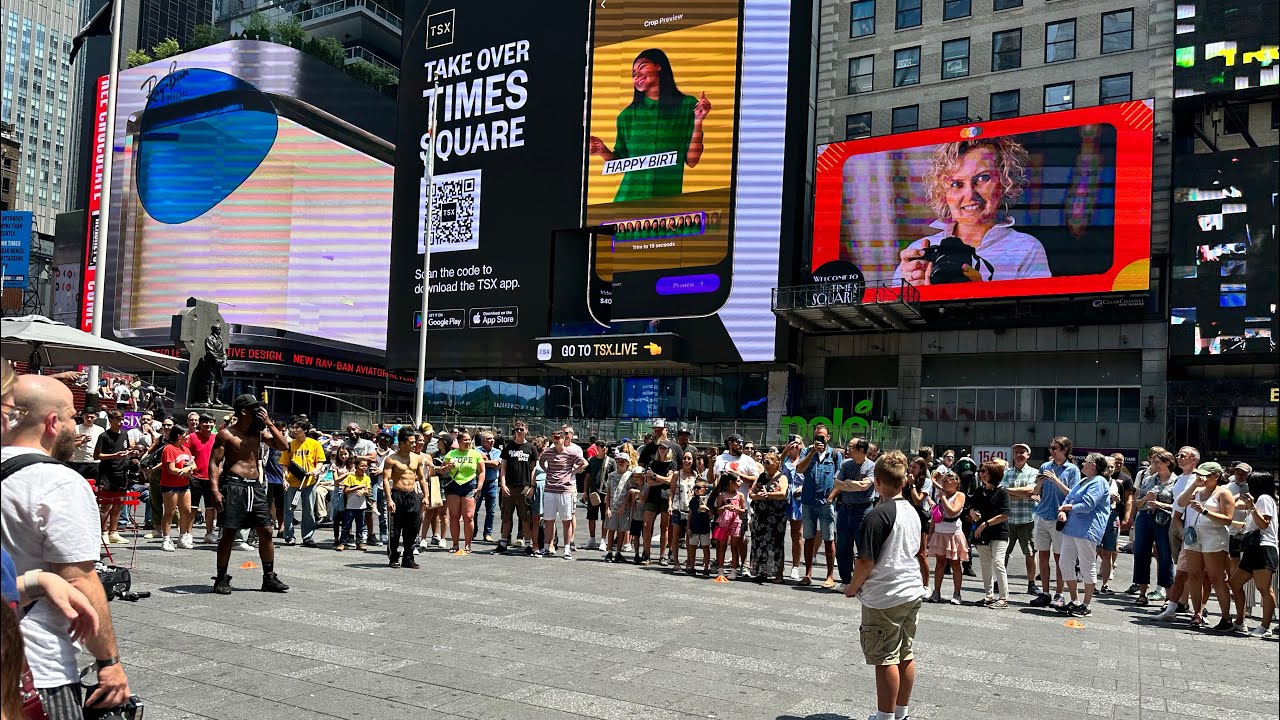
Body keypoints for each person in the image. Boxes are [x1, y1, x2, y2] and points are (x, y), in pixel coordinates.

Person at [1, 374, 131, 717]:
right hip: (38, 664)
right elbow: (78, 579)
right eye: (73, 416)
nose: (75, 425)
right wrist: (109, 663)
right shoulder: (58, 482)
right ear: (52, 422)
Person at [894, 136, 1048, 286]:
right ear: (943, 192)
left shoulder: (1026, 248)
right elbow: (891, 312)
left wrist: (979, 295)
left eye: (982, 178)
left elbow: (1039, 311)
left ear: (1005, 181)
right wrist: (911, 292)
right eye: (956, 184)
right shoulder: (918, 252)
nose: (970, 194)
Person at [843, 451, 927, 720]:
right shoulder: (911, 511)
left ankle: (885, 717)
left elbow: (866, 561)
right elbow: (918, 551)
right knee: (905, 653)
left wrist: (852, 587)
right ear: (903, 482)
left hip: (885, 595)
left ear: (877, 481)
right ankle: (901, 713)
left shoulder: (876, 515)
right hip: (911, 589)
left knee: (885, 658)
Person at [587, 48, 711, 202]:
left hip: (665, 206)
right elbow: (622, 164)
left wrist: (698, 122)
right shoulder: (626, 116)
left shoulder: (687, 105)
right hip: (627, 204)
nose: (636, 75)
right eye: (633, 74)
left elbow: (692, 161)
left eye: (642, 67)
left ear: (659, 66)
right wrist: (602, 150)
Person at [208, 394, 290, 595]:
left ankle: (269, 578)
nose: (259, 413)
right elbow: (214, 463)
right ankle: (221, 578)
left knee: (267, 531)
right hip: (234, 486)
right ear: (244, 411)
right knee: (229, 533)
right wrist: (215, 490)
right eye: (255, 409)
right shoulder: (226, 434)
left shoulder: (259, 433)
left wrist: (270, 423)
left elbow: (284, 446)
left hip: (255, 487)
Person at [1175, 461, 1236, 630]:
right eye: (1198, 474)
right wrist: (1194, 484)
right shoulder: (1196, 490)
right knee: (1194, 575)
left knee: (1215, 577)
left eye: (1205, 475)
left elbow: (1227, 519)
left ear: (1216, 476)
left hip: (1213, 535)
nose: (1201, 477)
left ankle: (1226, 617)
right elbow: (1180, 503)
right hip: (1194, 535)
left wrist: (1204, 511)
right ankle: (1197, 613)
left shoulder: (1223, 493)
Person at [1055, 453, 1113, 617]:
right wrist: (1063, 512)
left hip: (1088, 529)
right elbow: (1069, 497)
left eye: (1085, 462)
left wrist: (1067, 508)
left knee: (1087, 566)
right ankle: (1075, 600)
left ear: (1093, 465)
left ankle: (1086, 604)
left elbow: (1087, 505)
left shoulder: (1099, 482)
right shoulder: (1083, 480)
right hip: (1071, 528)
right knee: (1065, 563)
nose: (1082, 464)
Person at [1029, 437, 1081, 609]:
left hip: (1059, 517)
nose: (1051, 451)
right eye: (1050, 448)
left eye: (1055, 448)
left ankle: (1059, 594)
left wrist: (1055, 480)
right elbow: (1036, 492)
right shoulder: (1045, 466)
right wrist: (1039, 483)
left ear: (1065, 449)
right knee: (1042, 556)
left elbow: (1073, 494)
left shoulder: (1072, 470)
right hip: (1042, 514)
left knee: (1060, 559)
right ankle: (1045, 593)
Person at [1153, 446, 1203, 622]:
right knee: (1181, 570)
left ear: (1194, 459)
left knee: (1200, 574)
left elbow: (1185, 502)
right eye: (1178, 455)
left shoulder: (1200, 477)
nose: (1179, 458)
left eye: (1183, 455)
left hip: (1199, 529)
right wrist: (1179, 526)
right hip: (1182, 526)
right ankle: (1175, 606)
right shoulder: (1181, 478)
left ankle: (1198, 611)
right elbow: (1178, 505)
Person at [1229, 472, 1277, 637]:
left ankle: (1265, 626)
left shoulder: (1264, 499)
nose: (1248, 486)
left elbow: (1264, 524)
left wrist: (1251, 507)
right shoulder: (1261, 500)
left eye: (1250, 483)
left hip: (1263, 548)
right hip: (1254, 548)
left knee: (1264, 588)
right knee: (1234, 583)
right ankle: (1240, 621)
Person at [1130, 449, 1177, 606]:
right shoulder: (1148, 479)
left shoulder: (1176, 482)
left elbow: (1178, 507)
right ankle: (1142, 593)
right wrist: (1145, 499)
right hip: (1144, 517)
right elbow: (1137, 503)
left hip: (1163, 521)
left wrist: (1160, 504)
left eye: (1158, 462)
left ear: (1168, 463)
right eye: (1153, 462)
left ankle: (1169, 597)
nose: (1154, 465)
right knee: (1141, 554)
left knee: (1165, 556)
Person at [832, 439, 876, 590]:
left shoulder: (871, 466)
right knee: (843, 546)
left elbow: (865, 486)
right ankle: (846, 580)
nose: (848, 449)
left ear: (862, 450)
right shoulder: (845, 464)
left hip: (863, 510)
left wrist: (848, 484)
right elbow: (837, 483)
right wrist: (853, 484)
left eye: (851, 446)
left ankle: (863, 581)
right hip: (845, 509)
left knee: (863, 547)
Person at [383, 427, 430, 569]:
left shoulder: (417, 458)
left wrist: (426, 496)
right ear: (402, 443)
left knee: (413, 528)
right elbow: (386, 480)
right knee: (395, 530)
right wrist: (389, 499)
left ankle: (408, 558)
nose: (414, 445)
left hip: (412, 496)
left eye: (415, 442)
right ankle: (393, 558)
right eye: (411, 442)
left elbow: (422, 478)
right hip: (397, 495)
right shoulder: (392, 459)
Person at [796, 435, 839, 588]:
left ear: (828, 437)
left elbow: (839, 478)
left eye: (822, 436)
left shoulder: (834, 454)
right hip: (808, 501)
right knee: (809, 537)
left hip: (826, 502)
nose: (819, 440)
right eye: (816, 436)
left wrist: (832, 497)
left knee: (828, 538)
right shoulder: (807, 451)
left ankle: (830, 576)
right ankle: (808, 574)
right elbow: (799, 469)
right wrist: (811, 453)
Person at [539, 426, 588, 560]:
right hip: (550, 490)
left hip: (565, 490)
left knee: (566, 520)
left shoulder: (571, 453)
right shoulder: (548, 452)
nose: (555, 440)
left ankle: (567, 548)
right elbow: (541, 460)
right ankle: (546, 546)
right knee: (549, 520)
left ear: (563, 438)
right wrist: (546, 470)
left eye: (557, 438)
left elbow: (584, 463)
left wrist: (572, 472)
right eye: (553, 437)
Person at [970, 461, 1011, 608]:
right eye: (980, 471)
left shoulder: (1002, 491)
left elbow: (1005, 514)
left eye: (984, 471)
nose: (981, 474)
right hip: (982, 534)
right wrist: (972, 513)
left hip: (999, 533)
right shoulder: (979, 491)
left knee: (998, 563)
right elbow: (971, 507)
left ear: (993, 474)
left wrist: (985, 524)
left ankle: (1003, 598)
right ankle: (989, 596)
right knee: (985, 564)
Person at [281, 419, 326, 547]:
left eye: (297, 428)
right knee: (289, 509)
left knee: (309, 510)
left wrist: (315, 471)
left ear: (305, 430)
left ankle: (307, 537)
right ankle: (289, 536)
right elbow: (284, 464)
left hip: (309, 482)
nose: (294, 430)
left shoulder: (314, 444)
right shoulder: (289, 445)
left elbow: (320, 461)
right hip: (292, 482)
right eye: (293, 427)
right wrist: (284, 479)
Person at [1001, 443, 1039, 595]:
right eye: (1016, 452)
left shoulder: (1034, 472)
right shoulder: (1006, 473)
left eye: (1022, 452)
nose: (1018, 455)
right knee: (1003, 553)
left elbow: (1032, 490)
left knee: (1030, 553)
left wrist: (1009, 491)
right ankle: (1000, 581)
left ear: (1028, 455)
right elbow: (1002, 493)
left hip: (1026, 519)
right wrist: (1024, 493)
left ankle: (1031, 583)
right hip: (1008, 519)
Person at [94, 409, 135, 545]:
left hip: (121, 473)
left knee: (119, 503)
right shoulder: (104, 436)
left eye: (122, 419)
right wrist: (114, 455)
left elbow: (125, 450)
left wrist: (130, 453)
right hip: (107, 474)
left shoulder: (124, 434)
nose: (121, 422)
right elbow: (97, 455)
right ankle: (103, 532)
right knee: (106, 505)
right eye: (118, 419)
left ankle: (114, 532)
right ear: (111, 420)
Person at [927, 468, 968, 605]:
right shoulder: (940, 495)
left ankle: (957, 593)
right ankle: (936, 591)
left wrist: (943, 498)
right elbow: (935, 515)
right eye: (942, 481)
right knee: (940, 563)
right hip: (940, 531)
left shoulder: (959, 495)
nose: (943, 484)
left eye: (947, 481)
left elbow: (952, 512)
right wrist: (931, 532)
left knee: (955, 563)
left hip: (953, 532)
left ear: (955, 483)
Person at [441, 431, 486, 555]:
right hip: (454, 485)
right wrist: (448, 467)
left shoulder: (476, 454)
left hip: (469, 485)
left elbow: (482, 471)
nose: (467, 442)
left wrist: (479, 486)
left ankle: (468, 544)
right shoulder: (451, 453)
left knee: (469, 516)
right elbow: (443, 471)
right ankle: (455, 544)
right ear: (459, 441)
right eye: (465, 440)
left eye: (469, 440)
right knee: (454, 517)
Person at [496, 421, 536, 555]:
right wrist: (503, 484)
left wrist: (532, 486)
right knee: (506, 515)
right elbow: (503, 468)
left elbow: (533, 469)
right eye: (517, 429)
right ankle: (503, 543)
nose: (519, 431)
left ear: (526, 430)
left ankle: (528, 545)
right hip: (509, 486)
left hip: (524, 486)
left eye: (521, 429)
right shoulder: (508, 447)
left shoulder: (531, 448)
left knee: (525, 517)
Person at [748, 452, 789, 583]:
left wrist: (768, 495)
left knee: (776, 543)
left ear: (777, 463)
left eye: (768, 462)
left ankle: (778, 573)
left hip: (776, 516)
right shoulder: (761, 476)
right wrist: (759, 496)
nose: (765, 464)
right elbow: (751, 494)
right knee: (760, 543)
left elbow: (783, 493)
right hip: (761, 515)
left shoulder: (782, 477)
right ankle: (761, 571)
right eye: (764, 462)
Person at [155, 425, 196, 551]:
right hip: (170, 485)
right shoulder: (169, 449)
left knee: (187, 510)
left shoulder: (186, 449)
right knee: (169, 512)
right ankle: (166, 539)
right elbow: (171, 469)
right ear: (179, 436)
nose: (188, 437)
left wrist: (187, 469)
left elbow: (194, 464)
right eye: (185, 434)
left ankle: (182, 537)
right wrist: (185, 471)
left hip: (184, 484)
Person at [638, 443, 676, 566]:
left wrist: (655, 476)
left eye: (664, 448)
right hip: (652, 496)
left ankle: (662, 555)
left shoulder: (672, 464)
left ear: (668, 450)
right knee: (646, 525)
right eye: (660, 448)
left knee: (664, 526)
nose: (662, 450)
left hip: (666, 497)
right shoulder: (652, 464)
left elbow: (670, 480)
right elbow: (648, 482)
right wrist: (662, 480)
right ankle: (646, 554)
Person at [186, 414, 218, 543]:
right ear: (200, 424)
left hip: (211, 477)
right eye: (205, 422)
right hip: (195, 477)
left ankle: (209, 533)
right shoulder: (192, 437)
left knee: (210, 508)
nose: (208, 425)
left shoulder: (216, 438)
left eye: (211, 422)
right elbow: (186, 455)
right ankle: (188, 533)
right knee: (192, 507)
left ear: (214, 424)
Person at [903, 457, 933, 587]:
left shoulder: (926, 482)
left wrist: (912, 484)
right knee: (904, 551)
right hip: (905, 516)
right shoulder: (904, 480)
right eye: (910, 466)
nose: (911, 469)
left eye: (915, 467)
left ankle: (925, 585)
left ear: (921, 469)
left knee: (921, 553)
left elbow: (917, 500)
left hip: (920, 518)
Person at [711, 473, 746, 579]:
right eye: (738, 481)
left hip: (736, 521)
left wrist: (737, 509)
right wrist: (725, 507)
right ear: (731, 483)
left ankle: (734, 570)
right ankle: (720, 569)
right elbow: (718, 510)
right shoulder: (722, 495)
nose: (740, 483)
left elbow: (743, 510)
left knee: (734, 546)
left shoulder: (740, 495)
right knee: (722, 546)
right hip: (724, 522)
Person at [583, 439, 615, 551]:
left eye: (606, 446)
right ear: (597, 447)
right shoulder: (591, 461)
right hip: (593, 492)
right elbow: (587, 477)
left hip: (606, 493)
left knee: (605, 517)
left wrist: (611, 494)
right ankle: (592, 539)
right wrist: (584, 492)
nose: (604, 448)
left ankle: (603, 540)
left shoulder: (611, 461)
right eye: (602, 446)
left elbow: (614, 478)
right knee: (591, 517)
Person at [781, 437, 806, 582]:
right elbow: (774, 466)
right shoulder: (783, 459)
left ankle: (795, 566)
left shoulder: (805, 459)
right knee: (779, 533)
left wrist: (802, 488)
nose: (794, 445)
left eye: (797, 443)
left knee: (797, 535)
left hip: (798, 500)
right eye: (792, 442)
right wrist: (785, 451)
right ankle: (779, 566)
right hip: (783, 498)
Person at [603, 453, 635, 563]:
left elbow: (630, 493)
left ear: (627, 463)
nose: (620, 462)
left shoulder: (630, 476)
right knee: (611, 529)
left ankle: (618, 552)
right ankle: (609, 552)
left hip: (624, 508)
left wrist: (625, 506)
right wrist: (607, 508)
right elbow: (608, 491)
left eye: (623, 460)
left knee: (622, 530)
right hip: (612, 506)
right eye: (618, 460)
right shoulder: (612, 475)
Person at [337, 459, 374, 551]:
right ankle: (342, 543)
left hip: (361, 506)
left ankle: (360, 543)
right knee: (346, 525)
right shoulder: (350, 477)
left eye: (365, 466)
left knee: (360, 525)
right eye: (361, 466)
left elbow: (368, 491)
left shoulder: (366, 478)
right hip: (351, 506)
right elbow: (346, 491)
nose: (363, 468)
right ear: (356, 466)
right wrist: (357, 487)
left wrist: (363, 492)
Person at [669, 450, 697, 571]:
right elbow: (672, 491)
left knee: (689, 536)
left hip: (691, 509)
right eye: (685, 458)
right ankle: (676, 561)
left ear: (693, 461)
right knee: (676, 536)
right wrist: (669, 505)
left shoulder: (696, 475)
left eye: (689, 459)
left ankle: (690, 561)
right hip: (678, 508)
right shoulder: (676, 474)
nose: (686, 461)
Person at [473, 431, 502, 543]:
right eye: (489, 439)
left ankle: (487, 533)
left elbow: (497, 465)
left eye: (492, 439)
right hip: (479, 483)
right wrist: (488, 462)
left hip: (492, 484)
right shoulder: (476, 451)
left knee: (491, 510)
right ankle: (473, 531)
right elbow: (476, 464)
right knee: (474, 509)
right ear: (483, 441)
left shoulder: (497, 451)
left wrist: (483, 461)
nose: (492, 441)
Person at [687, 479, 714, 575]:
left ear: (705, 489)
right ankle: (692, 566)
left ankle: (706, 567)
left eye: (699, 488)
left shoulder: (709, 500)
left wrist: (706, 509)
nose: (696, 490)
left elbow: (711, 514)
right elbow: (690, 515)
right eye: (695, 488)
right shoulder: (693, 501)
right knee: (692, 547)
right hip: (694, 527)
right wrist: (688, 527)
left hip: (705, 528)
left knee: (705, 548)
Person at [68, 413, 103, 481]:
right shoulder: (75, 428)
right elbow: (69, 445)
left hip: (94, 462)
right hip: (78, 461)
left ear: (95, 417)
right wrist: (81, 442)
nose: (89, 419)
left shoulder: (100, 429)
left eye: (91, 417)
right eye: (87, 417)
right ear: (83, 416)